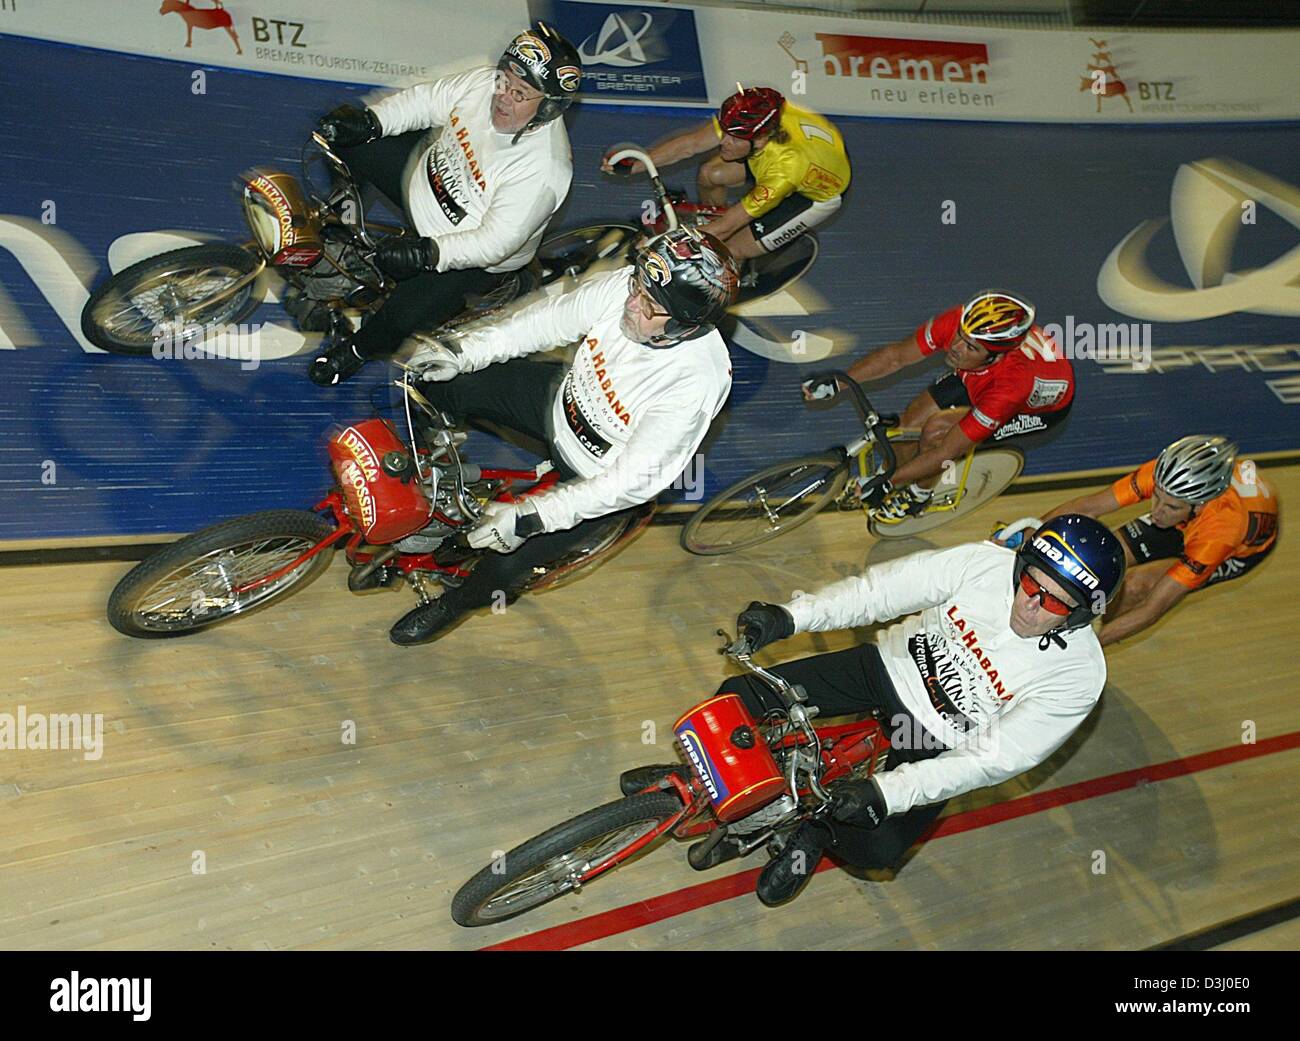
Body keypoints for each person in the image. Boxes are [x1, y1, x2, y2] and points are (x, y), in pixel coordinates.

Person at [621, 515, 1124, 907]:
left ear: (1080, 616)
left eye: (1055, 604)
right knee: (740, 695)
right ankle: (693, 776)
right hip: (885, 668)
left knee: (877, 849)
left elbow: (993, 760)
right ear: (1020, 568)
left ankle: (816, 830)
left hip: (943, 739)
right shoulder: (984, 565)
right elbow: (879, 593)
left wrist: (887, 792)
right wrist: (791, 616)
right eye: (1031, 585)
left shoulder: (1078, 677)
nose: (1031, 605)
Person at [388, 227, 740, 645]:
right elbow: (545, 321)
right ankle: (426, 477)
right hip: (563, 404)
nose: (631, 304)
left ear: (682, 325)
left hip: (599, 473)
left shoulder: (695, 381)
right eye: (637, 286)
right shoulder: (630, 290)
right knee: (438, 382)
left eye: (649, 305)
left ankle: (455, 604)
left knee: (503, 568)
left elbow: (629, 483)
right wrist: (464, 352)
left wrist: (532, 516)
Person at [307, 25, 581, 385]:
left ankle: (357, 350)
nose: (503, 96)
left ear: (547, 108)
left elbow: (494, 243)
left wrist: (428, 254)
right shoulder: (485, 84)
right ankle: (344, 215)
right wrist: (371, 121)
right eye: (503, 80)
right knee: (346, 134)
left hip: (464, 249)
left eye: (520, 94)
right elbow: (424, 102)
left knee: (402, 317)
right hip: (423, 181)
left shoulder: (545, 169)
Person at [802, 290, 1075, 522]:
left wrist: (887, 484)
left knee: (936, 433)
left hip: (1032, 409)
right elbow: (896, 357)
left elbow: (948, 450)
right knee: (910, 423)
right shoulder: (961, 322)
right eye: (960, 335)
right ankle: (890, 475)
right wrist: (839, 382)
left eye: (970, 347)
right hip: (982, 377)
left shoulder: (1010, 387)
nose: (956, 347)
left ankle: (919, 495)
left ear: (996, 356)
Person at [1000, 435, 1279, 646]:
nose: (1156, 510)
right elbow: (1087, 507)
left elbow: (1152, 608)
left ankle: (1084, 637)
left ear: (1201, 504)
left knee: (1134, 587)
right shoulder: (1163, 476)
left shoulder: (1221, 532)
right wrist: (1029, 537)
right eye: (1156, 496)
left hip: (1236, 550)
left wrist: (1089, 647)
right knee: (1103, 559)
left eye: (1171, 506)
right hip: (1190, 522)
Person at [602, 86, 849, 264]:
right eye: (725, 132)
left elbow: (725, 227)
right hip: (791, 154)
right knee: (710, 173)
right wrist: (637, 163)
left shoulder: (785, 170)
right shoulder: (749, 119)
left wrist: (661, 246)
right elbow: (690, 145)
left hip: (815, 193)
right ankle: (708, 230)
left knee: (731, 246)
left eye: (734, 138)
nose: (723, 142)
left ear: (761, 138)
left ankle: (724, 269)